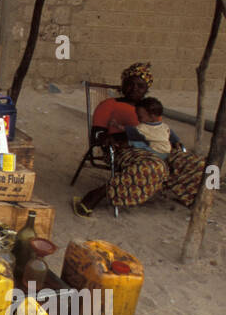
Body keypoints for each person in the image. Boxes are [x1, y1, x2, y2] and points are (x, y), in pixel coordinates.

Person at [73, 62, 204, 216]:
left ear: (146, 89)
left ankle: (191, 199)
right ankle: (99, 193)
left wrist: (174, 142)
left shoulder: (151, 108)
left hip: (157, 149)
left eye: (140, 86)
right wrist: (106, 138)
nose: (134, 88)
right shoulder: (109, 104)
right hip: (124, 149)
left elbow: (161, 130)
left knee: (198, 163)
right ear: (123, 84)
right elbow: (96, 133)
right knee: (153, 167)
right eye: (130, 84)